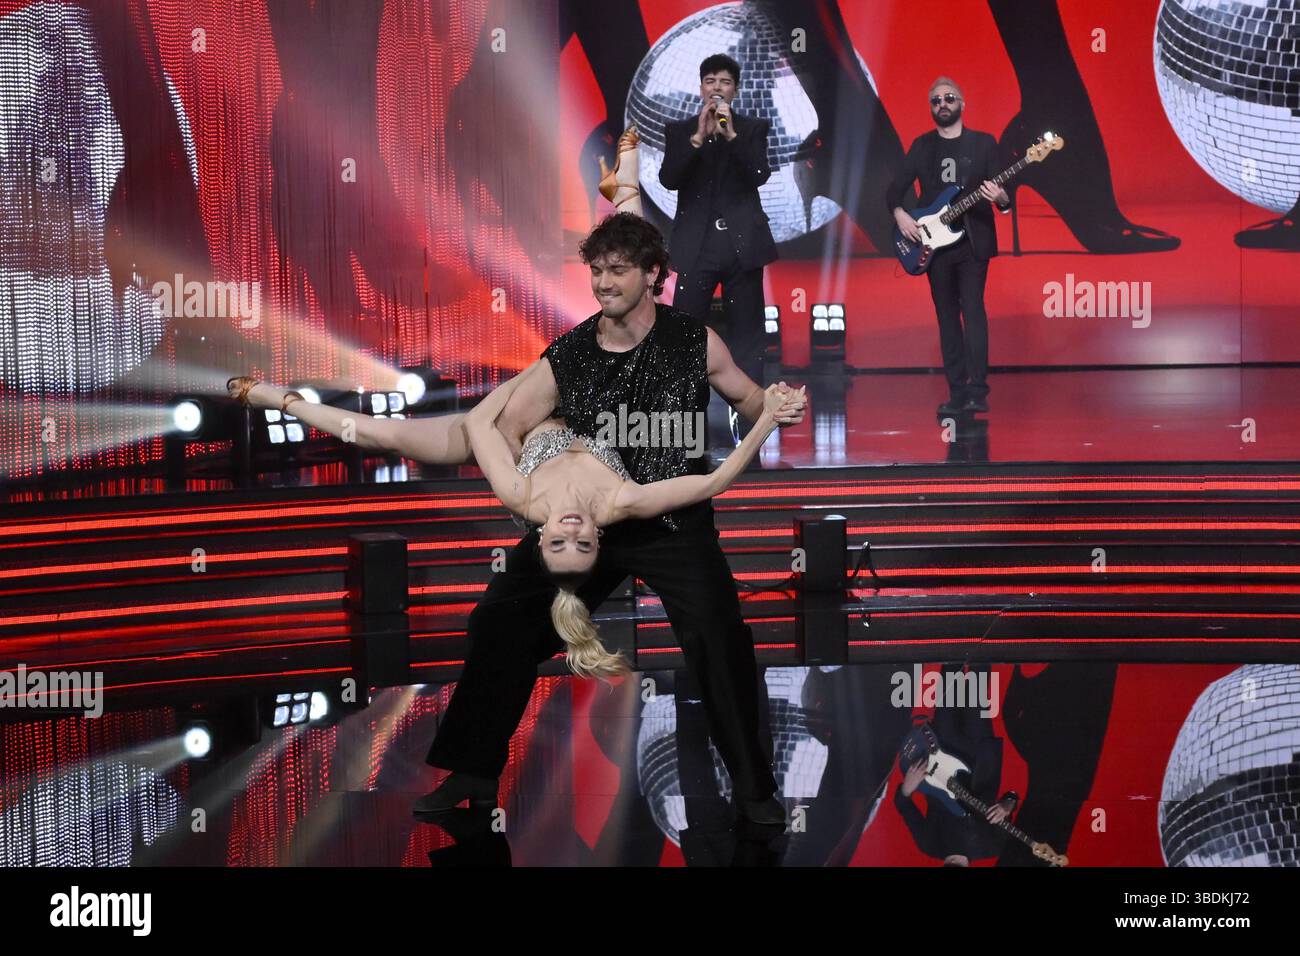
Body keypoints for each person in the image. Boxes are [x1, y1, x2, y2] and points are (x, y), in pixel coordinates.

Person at [231, 213, 807, 825]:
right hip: (583, 522)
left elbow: (747, 399)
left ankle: (753, 791)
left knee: (719, 636)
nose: (603, 283)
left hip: (670, 519)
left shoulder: (697, 344)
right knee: (500, 621)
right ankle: (475, 773)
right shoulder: (568, 357)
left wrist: (772, 406)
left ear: (653, 276)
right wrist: (523, 477)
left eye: (617, 271)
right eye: (596, 271)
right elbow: (494, 425)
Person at [887, 77, 1010, 417]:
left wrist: (1001, 199)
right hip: (934, 245)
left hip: (972, 242)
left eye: (949, 98)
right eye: (936, 100)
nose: (942, 103)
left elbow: (1001, 193)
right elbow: (894, 190)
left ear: (962, 104)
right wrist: (900, 215)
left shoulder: (984, 144)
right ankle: (957, 392)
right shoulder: (922, 146)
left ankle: (978, 392)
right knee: (947, 319)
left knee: (973, 311)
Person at [660, 53, 777, 393]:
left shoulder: (752, 129)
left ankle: (751, 426)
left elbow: (759, 173)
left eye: (724, 82)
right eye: (710, 81)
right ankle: (686, 425)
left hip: (743, 249)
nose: (717, 88)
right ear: (700, 88)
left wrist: (732, 136)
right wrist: (697, 138)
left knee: (748, 339)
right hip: (698, 249)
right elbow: (669, 178)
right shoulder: (680, 131)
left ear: (735, 90)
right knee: (685, 337)